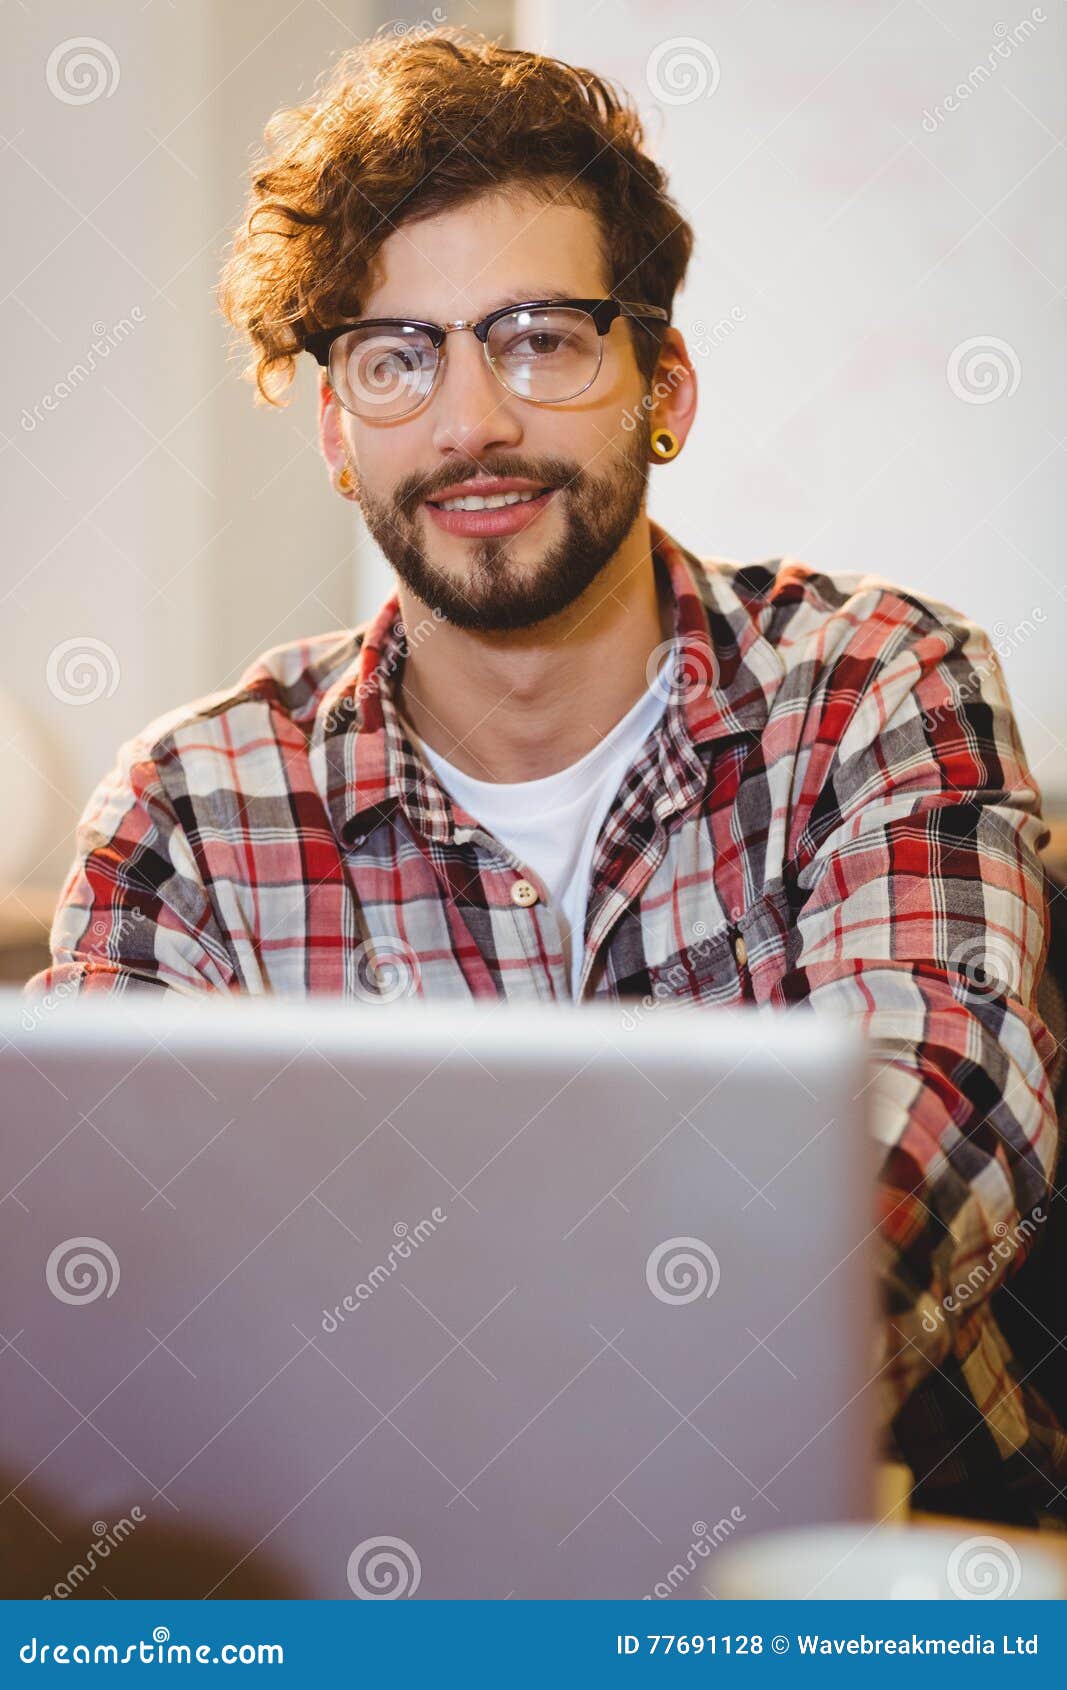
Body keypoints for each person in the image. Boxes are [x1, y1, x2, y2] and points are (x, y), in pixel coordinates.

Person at [25, 28, 1065, 1526]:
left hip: (851, 1566)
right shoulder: (192, 808)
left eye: (539, 338)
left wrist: (538, 1403)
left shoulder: (872, 687)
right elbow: (98, 1272)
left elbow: (945, 1126)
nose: (471, 423)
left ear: (665, 387)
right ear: (335, 427)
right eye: (398, 358)